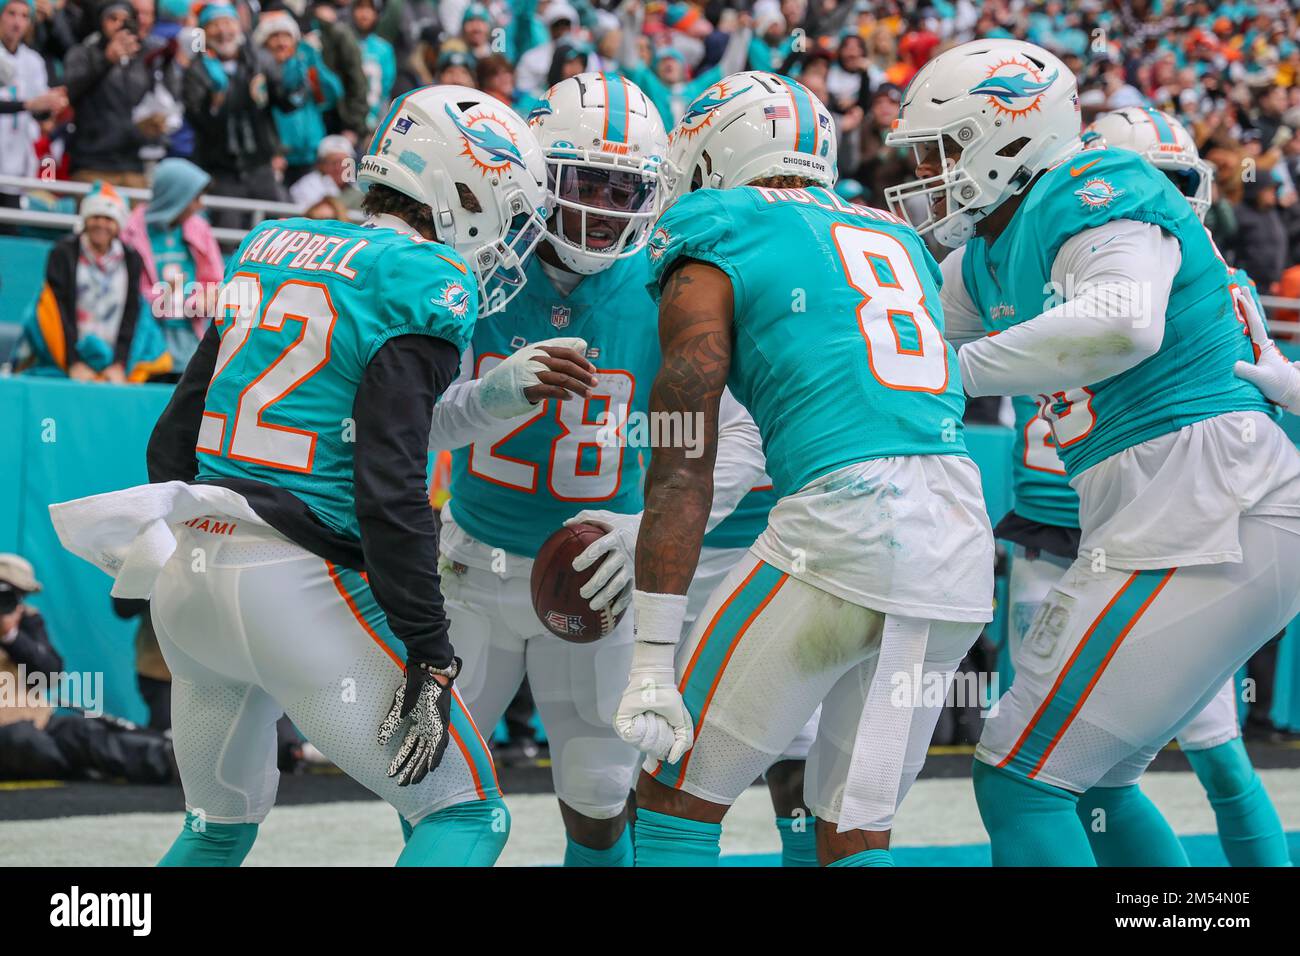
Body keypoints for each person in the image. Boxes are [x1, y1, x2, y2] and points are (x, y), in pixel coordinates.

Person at [50, 86, 551, 867]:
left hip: (196, 575)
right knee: (465, 814)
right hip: (299, 586)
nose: (509, 235)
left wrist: (189, 552)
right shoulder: (421, 282)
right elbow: (391, 484)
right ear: (462, 187)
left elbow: (174, 432)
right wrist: (429, 650)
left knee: (216, 829)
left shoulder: (272, 244)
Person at [885, 39, 1300, 866]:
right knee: (1098, 778)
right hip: (1164, 510)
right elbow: (890, 356)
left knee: (1018, 773)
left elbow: (1122, 321)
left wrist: (950, 373)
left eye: (943, 148)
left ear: (1007, 138)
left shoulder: (1090, 189)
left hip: (1206, 502)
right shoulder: (986, 257)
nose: (929, 173)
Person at [615, 72, 993, 867]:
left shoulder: (717, 225)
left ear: (715, 153)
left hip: (844, 525)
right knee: (851, 830)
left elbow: (685, 450)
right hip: (960, 539)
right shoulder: (896, 240)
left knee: (672, 799)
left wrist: (651, 655)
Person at [985, 106, 1292, 869]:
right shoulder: (1045, 257)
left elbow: (1125, 327)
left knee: (1052, 765)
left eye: (1168, 181)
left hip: (1188, 528)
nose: (1147, 195)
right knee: (1085, 771)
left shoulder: (1181, 281)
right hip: (1095, 525)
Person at [23, 182, 170, 381]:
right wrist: (73, 363)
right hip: (70, 360)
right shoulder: (63, 252)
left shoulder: (131, 257)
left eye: (108, 218)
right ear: (85, 219)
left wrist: (119, 364)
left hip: (113, 363)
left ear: (118, 223)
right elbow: (58, 311)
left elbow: (131, 312)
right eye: (96, 217)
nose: (101, 224)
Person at [181, 3, 304, 228]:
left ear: (239, 26)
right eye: (215, 24)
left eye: (228, 22)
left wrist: (292, 79)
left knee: (275, 231)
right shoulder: (198, 69)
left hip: (260, 165)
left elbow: (286, 103)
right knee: (227, 234)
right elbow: (196, 118)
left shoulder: (259, 61)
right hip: (221, 170)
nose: (223, 30)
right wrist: (214, 103)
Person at [120, 157, 223, 376]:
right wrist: (170, 300)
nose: (200, 205)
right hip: (147, 341)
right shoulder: (131, 232)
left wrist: (196, 302)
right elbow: (128, 289)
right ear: (175, 195)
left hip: (192, 343)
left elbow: (215, 282)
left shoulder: (200, 228)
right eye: (195, 197)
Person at [63, 0, 179, 187]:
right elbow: (68, 93)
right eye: (113, 19)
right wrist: (106, 60)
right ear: (100, 21)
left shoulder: (146, 58)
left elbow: (167, 97)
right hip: (91, 163)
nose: (120, 25)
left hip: (134, 164)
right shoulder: (83, 53)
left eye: (126, 19)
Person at [0, 0, 65, 214]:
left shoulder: (33, 61)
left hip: (16, 163)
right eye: (11, 14)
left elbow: (40, 111)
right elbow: (28, 104)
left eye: (24, 16)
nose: (17, 23)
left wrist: (52, 104)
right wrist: (29, 104)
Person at [288, 133, 360, 212]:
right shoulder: (305, 186)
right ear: (320, 165)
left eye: (345, 162)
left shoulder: (359, 187)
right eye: (334, 162)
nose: (339, 168)